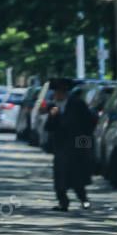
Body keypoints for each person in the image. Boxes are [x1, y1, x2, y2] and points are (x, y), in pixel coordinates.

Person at [45, 79, 97, 211]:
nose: (56, 95)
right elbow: (49, 127)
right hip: (61, 145)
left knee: (77, 175)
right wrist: (52, 116)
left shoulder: (77, 104)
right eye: (55, 92)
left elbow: (88, 124)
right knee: (60, 175)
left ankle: (84, 199)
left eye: (59, 92)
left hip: (76, 145)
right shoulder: (54, 107)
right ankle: (63, 202)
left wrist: (85, 146)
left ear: (64, 92)